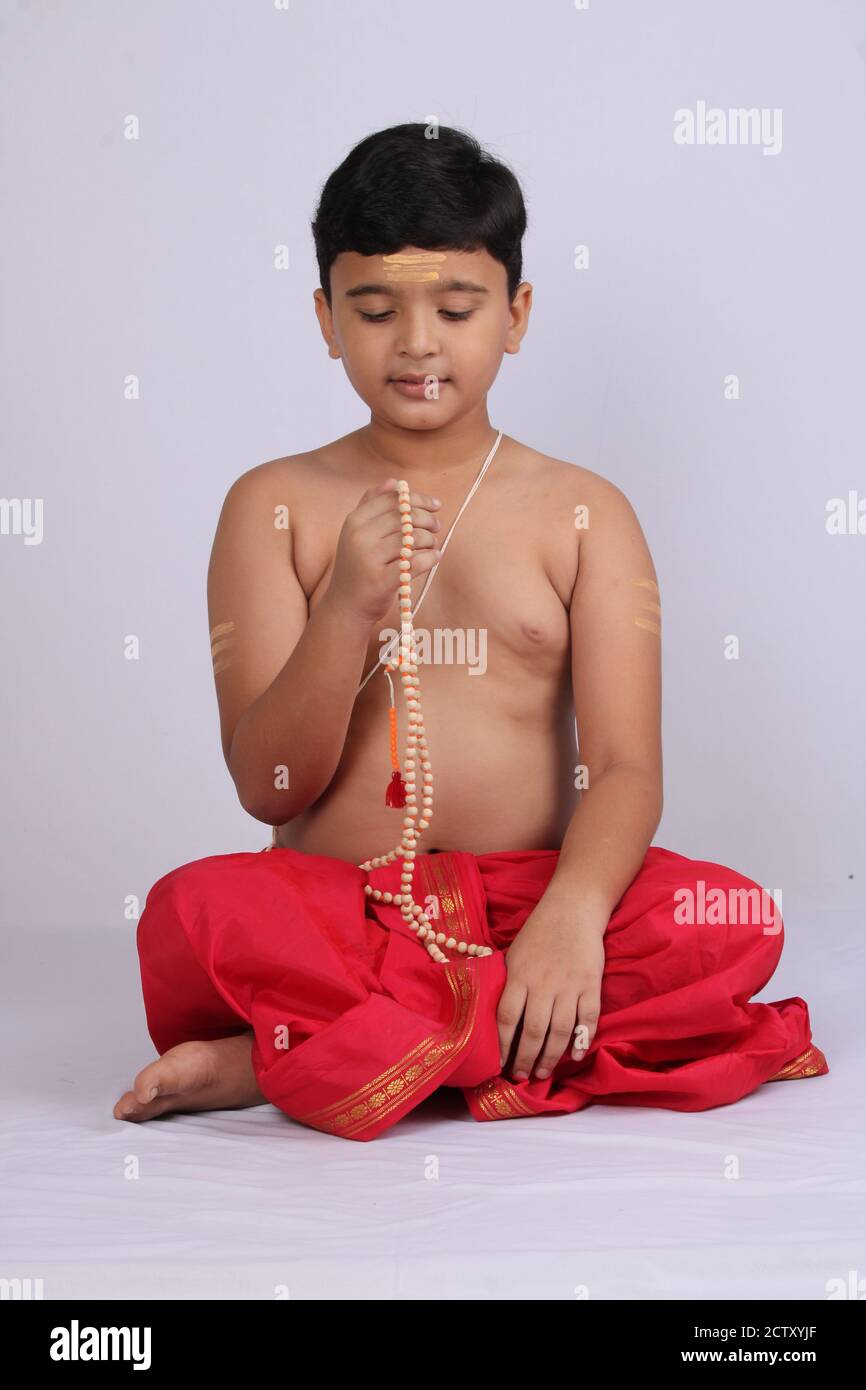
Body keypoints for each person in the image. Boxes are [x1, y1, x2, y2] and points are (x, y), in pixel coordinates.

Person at [114, 123, 827, 1142]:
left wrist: (573, 917)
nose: (416, 342)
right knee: (191, 911)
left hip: (531, 899)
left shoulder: (584, 510)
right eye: (372, 309)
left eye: (454, 308)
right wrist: (345, 611)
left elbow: (624, 766)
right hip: (343, 907)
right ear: (324, 318)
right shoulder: (272, 504)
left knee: (729, 917)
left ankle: (289, 1057)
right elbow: (268, 788)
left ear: (515, 313)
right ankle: (480, 1029)